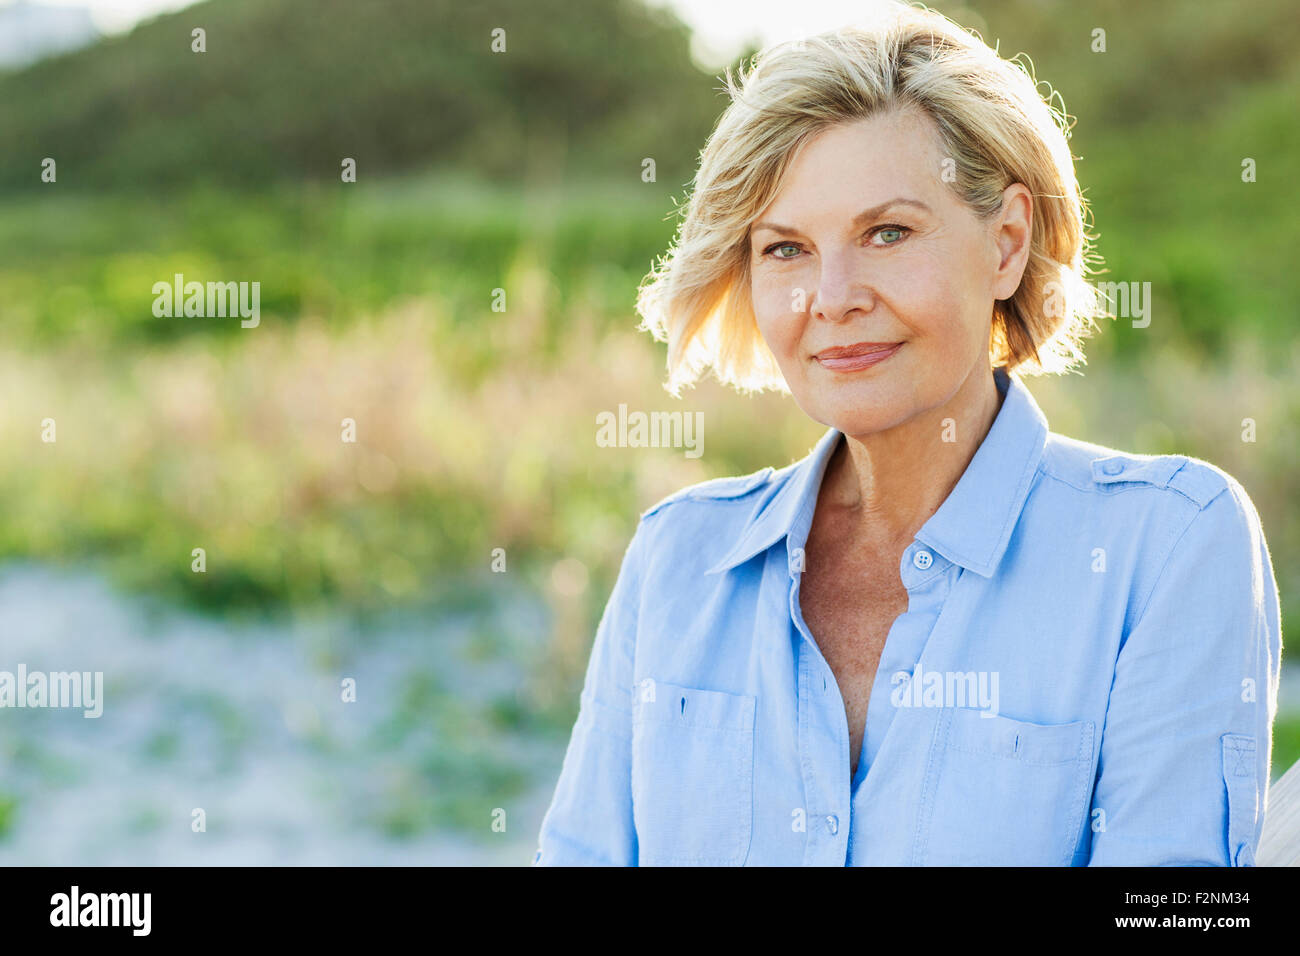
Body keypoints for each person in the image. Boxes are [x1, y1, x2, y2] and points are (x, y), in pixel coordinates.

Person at [534, 2, 1282, 866]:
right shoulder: (678, 558)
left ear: (1006, 243)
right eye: (785, 249)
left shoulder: (1169, 546)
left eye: (887, 233)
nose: (834, 295)